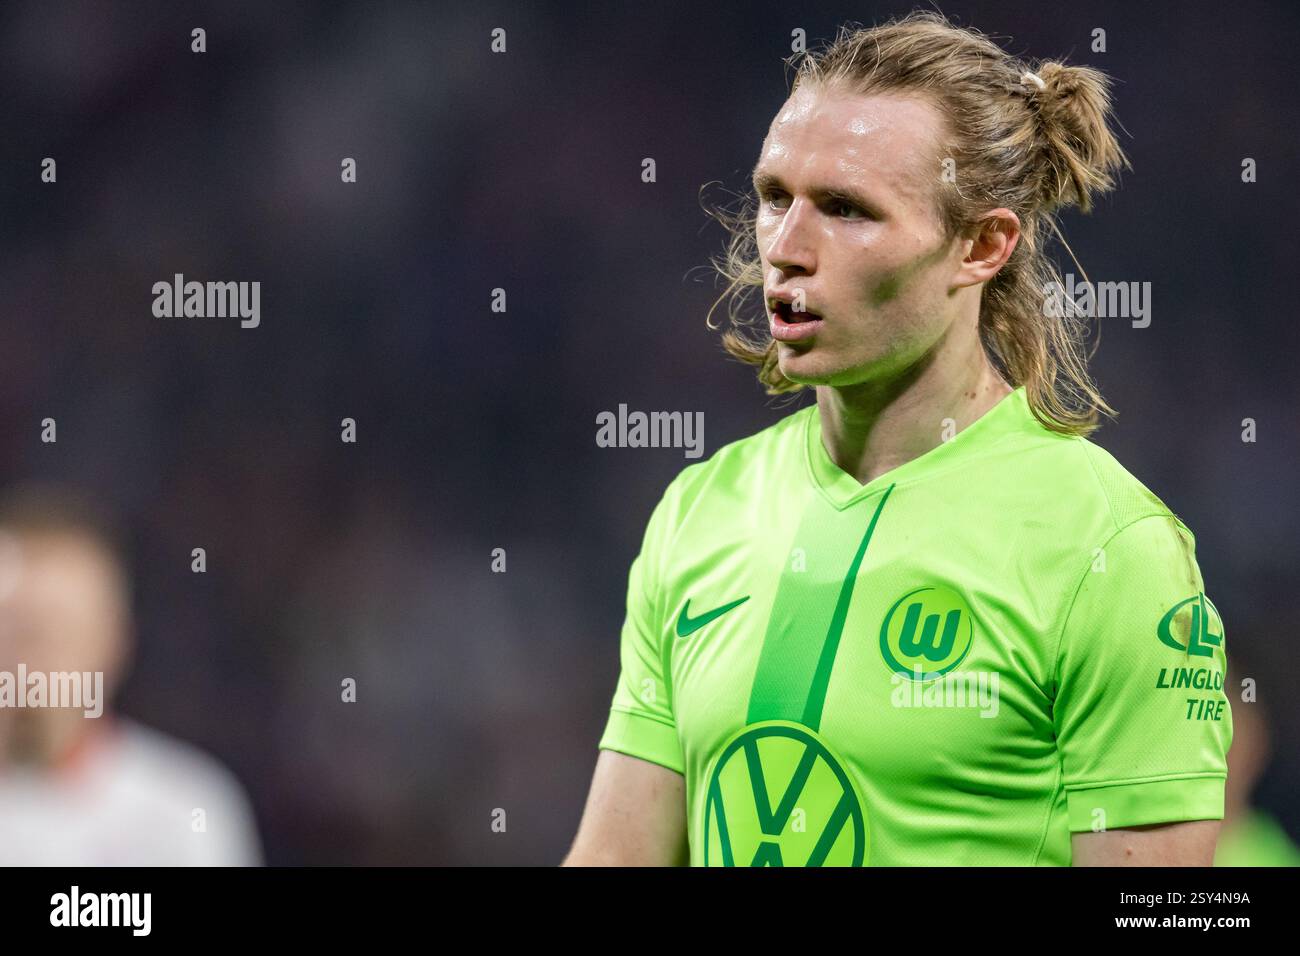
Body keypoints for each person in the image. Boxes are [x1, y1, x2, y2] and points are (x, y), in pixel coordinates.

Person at [565, 11, 1231, 866]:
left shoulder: (1107, 548)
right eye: (775, 197)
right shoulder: (701, 510)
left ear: (982, 245)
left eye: (846, 209)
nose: (787, 249)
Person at [0, 483, 262, 865]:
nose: (35, 659)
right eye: (16, 627)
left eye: (60, 628)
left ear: (114, 641)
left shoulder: (184, 811)